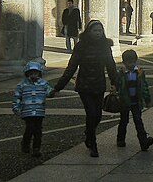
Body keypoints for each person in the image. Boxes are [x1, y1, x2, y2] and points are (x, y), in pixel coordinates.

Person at [49, 19, 118, 157]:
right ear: (89, 32)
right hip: (84, 85)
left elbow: (111, 66)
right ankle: (93, 144)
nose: (98, 33)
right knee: (91, 113)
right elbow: (71, 67)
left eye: (100, 31)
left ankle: (88, 133)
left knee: (97, 115)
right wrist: (58, 87)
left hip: (98, 85)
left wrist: (115, 83)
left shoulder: (105, 46)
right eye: (95, 31)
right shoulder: (81, 46)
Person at [116, 49, 153, 151]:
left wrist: (147, 99)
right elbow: (117, 85)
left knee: (138, 121)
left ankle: (143, 141)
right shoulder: (121, 73)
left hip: (136, 101)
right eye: (129, 62)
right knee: (124, 121)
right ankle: (120, 139)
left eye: (133, 62)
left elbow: (144, 87)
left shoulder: (140, 73)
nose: (131, 64)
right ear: (124, 62)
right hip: (125, 101)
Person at [12, 59, 51, 157]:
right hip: (27, 111)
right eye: (31, 73)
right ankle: (26, 143)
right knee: (30, 128)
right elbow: (17, 97)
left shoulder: (44, 84)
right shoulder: (22, 85)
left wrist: (52, 92)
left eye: (35, 73)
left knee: (38, 130)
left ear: (39, 73)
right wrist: (16, 107)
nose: (33, 75)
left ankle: (36, 148)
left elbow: (49, 91)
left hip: (39, 111)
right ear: (27, 73)